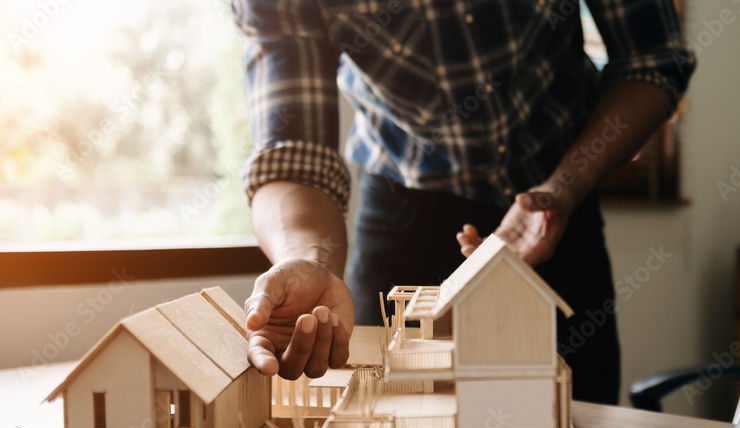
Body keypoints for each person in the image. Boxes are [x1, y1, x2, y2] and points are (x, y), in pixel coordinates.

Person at [233, 0, 694, 405]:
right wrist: (310, 259)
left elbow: (651, 60)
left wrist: (564, 187)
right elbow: (293, 154)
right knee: (386, 407)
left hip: (560, 203)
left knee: (581, 420)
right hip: (402, 215)